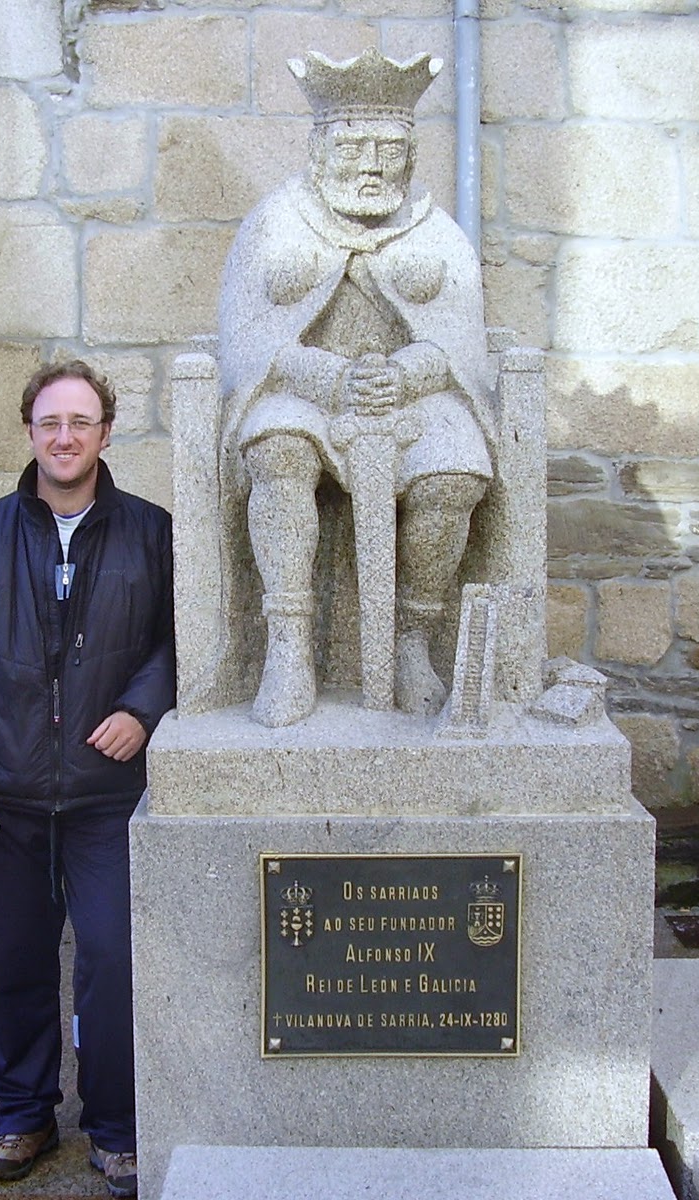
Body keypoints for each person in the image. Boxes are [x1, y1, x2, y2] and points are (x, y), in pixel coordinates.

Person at [0, 360, 175, 1199]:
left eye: (82, 422)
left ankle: (117, 1126)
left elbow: (190, 641)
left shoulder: (152, 535)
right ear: (30, 431)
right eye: (50, 422)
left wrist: (142, 707)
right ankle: (22, 1111)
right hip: (6, 799)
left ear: (106, 431)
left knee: (111, 960)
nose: (65, 437)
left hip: (110, 799)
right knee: (17, 963)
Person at [217, 48, 498, 727]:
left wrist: (404, 374)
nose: (372, 166)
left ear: (411, 155)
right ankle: (288, 645)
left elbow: (463, 340)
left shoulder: (438, 232)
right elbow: (246, 337)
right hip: (305, 388)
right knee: (276, 443)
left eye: (388, 149)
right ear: (318, 151)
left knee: (456, 472)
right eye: (353, 148)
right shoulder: (275, 223)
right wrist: (325, 375)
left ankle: (412, 639)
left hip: (413, 395)